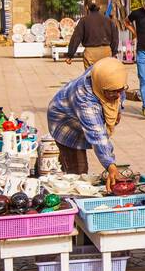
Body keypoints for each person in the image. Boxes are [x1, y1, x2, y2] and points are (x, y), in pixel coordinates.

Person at [46, 57, 127, 191]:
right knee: (79, 172)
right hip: (64, 123)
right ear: (102, 87)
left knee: (71, 163)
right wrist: (111, 166)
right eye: (112, 92)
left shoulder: (104, 74)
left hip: (75, 114)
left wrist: (117, 110)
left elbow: (118, 93)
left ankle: (64, 165)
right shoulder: (85, 101)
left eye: (120, 90)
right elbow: (97, 136)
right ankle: (73, 203)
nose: (118, 95)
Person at [66, 0, 118, 67]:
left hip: (90, 53)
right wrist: (114, 53)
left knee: (90, 76)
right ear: (100, 7)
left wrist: (70, 55)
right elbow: (115, 38)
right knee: (105, 76)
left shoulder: (83, 21)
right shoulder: (108, 20)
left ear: (87, 7)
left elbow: (76, 38)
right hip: (106, 52)